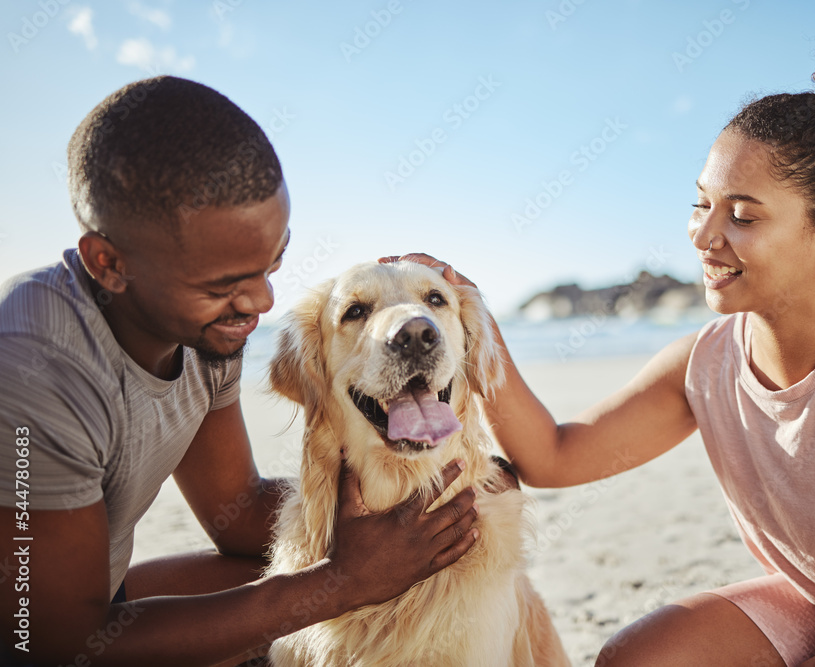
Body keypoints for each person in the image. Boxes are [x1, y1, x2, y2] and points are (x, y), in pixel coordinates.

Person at [397, 46, 815, 666]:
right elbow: (553, 456)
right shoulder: (704, 365)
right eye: (700, 203)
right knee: (634, 659)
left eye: (741, 216)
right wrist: (474, 321)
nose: (705, 236)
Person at [0, 76, 480, 667]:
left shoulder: (203, 332)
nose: (261, 301)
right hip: (34, 631)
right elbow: (47, 642)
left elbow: (241, 511)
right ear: (110, 263)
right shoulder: (31, 362)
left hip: (100, 598)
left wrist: (427, 511)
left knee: (272, 565)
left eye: (272, 262)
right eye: (224, 284)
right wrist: (345, 580)